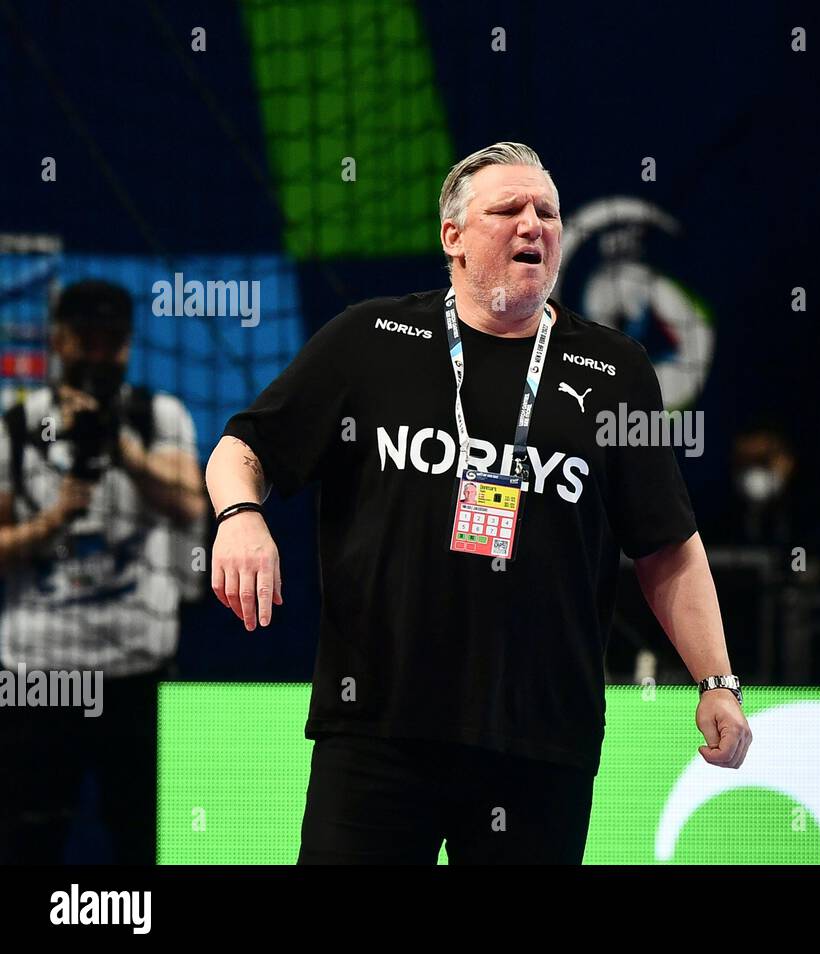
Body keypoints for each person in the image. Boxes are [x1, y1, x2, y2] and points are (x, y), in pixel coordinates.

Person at [206, 142, 751, 864]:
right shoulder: (373, 339)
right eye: (508, 210)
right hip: (379, 728)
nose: (534, 225)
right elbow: (241, 450)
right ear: (453, 237)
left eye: (548, 212)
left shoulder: (616, 369)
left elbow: (665, 543)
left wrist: (718, 682)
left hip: (540, 742)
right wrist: (239, 519)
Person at [0, 279, 206, 863]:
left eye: (110, 342)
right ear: (58, 341)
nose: (96, 355)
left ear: (128, 345)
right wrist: (55, 518)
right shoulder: (16, 428)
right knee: (27, 836)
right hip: (37, 672)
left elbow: (192, 505)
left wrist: (125, 454)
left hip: (134, 669)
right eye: (83, 340)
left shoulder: (155, 416)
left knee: (143, 836)